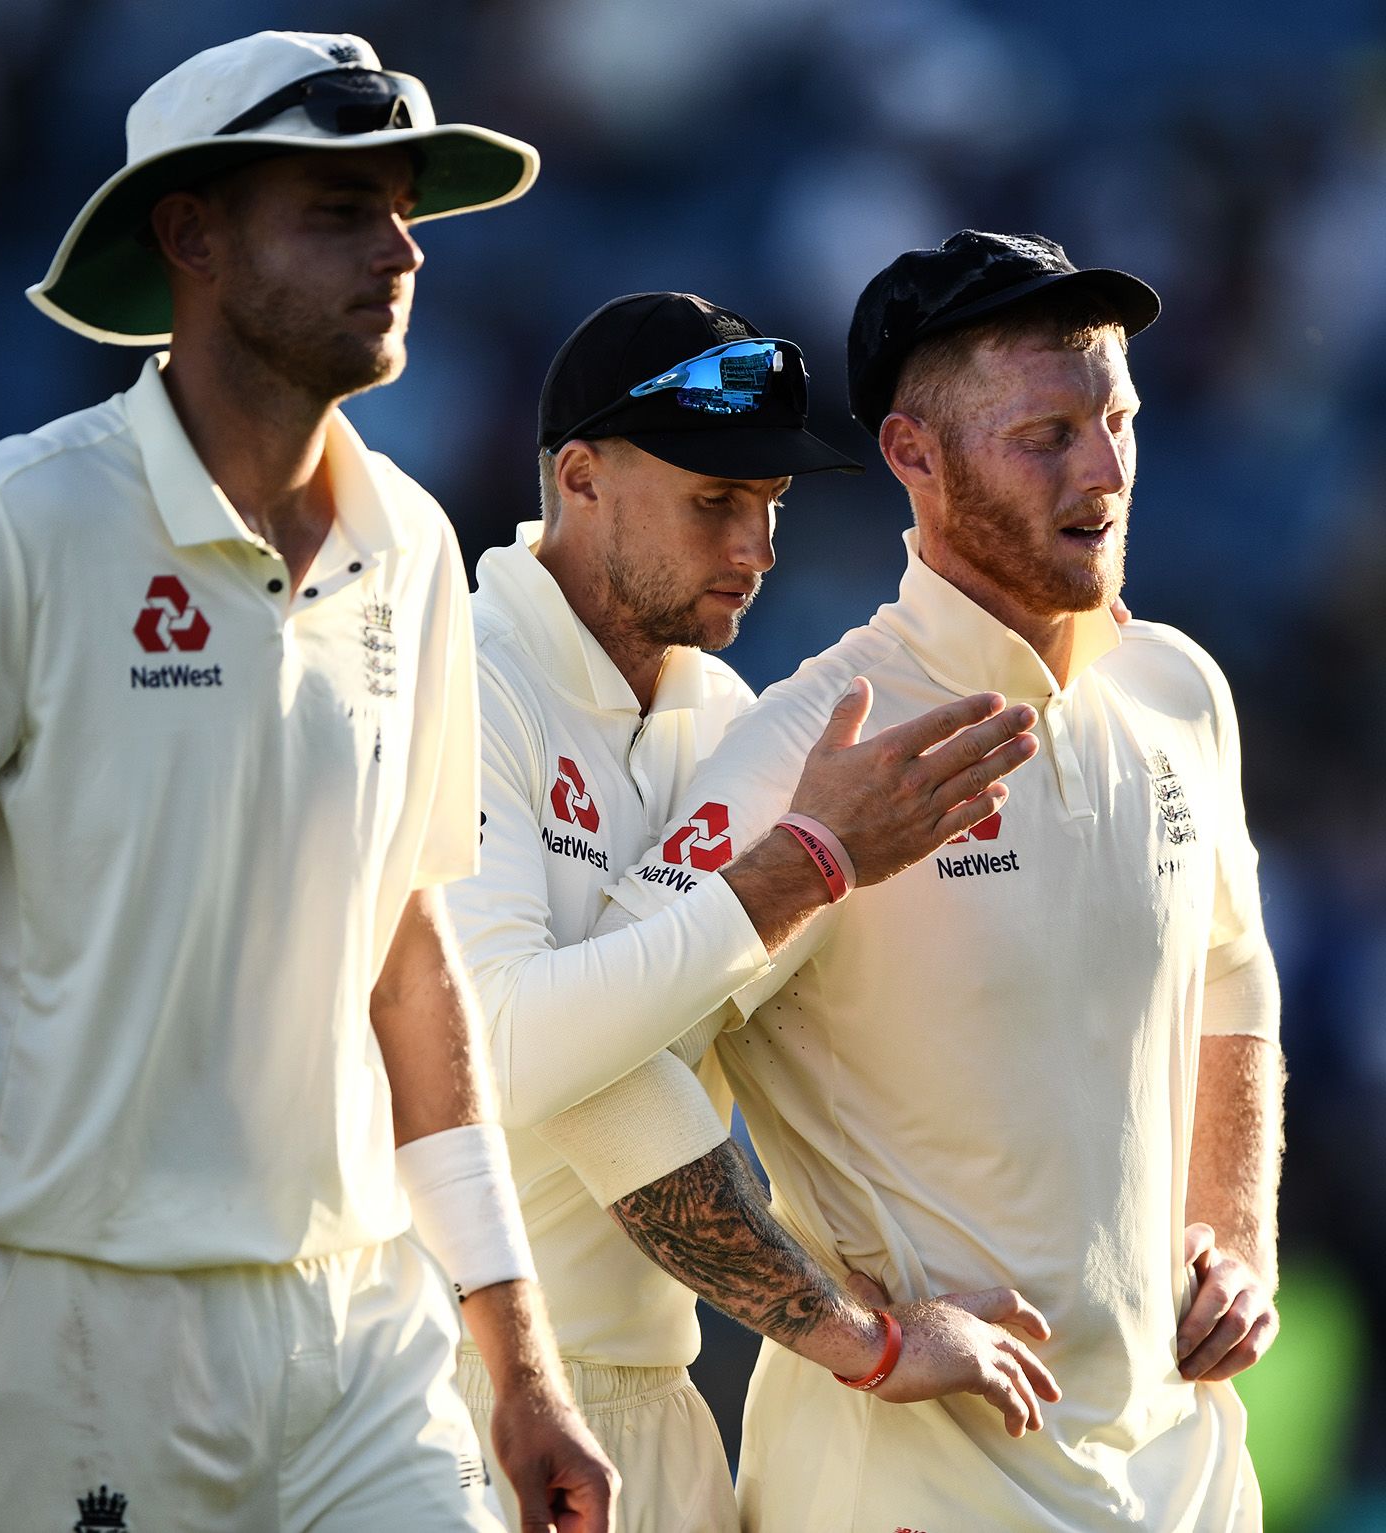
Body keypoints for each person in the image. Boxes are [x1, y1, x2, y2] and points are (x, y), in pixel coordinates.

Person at [539, 231, 1284, 1531]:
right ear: (913, 455)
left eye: (1116, 420)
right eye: (1045, 435)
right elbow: (590, 1068)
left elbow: (1230, 969)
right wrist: (849, 1335)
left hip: (1187, 1484)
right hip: (912, 1492)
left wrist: (1232, 1230)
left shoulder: (1176, 689)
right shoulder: (810, 744)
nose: (1104, 472)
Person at [0, 31, 615, 1532]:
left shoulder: (414, 542)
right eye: (339, 213)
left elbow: (410, 955)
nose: (401, 250)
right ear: (190, 237)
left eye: (400, 210)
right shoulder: (25, 522)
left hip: (362, 1338)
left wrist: (520, 1363)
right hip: (78, 1332)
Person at [445, 289, 1059, 1532]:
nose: (757, 548)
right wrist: (807, 862)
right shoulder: (457, 682)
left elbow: (652, 1052)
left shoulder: (724, 716)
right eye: (715, 501)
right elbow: (508, 1053)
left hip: (658, 1401)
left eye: (771, 504)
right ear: (580, 478)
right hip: (452, 1395)